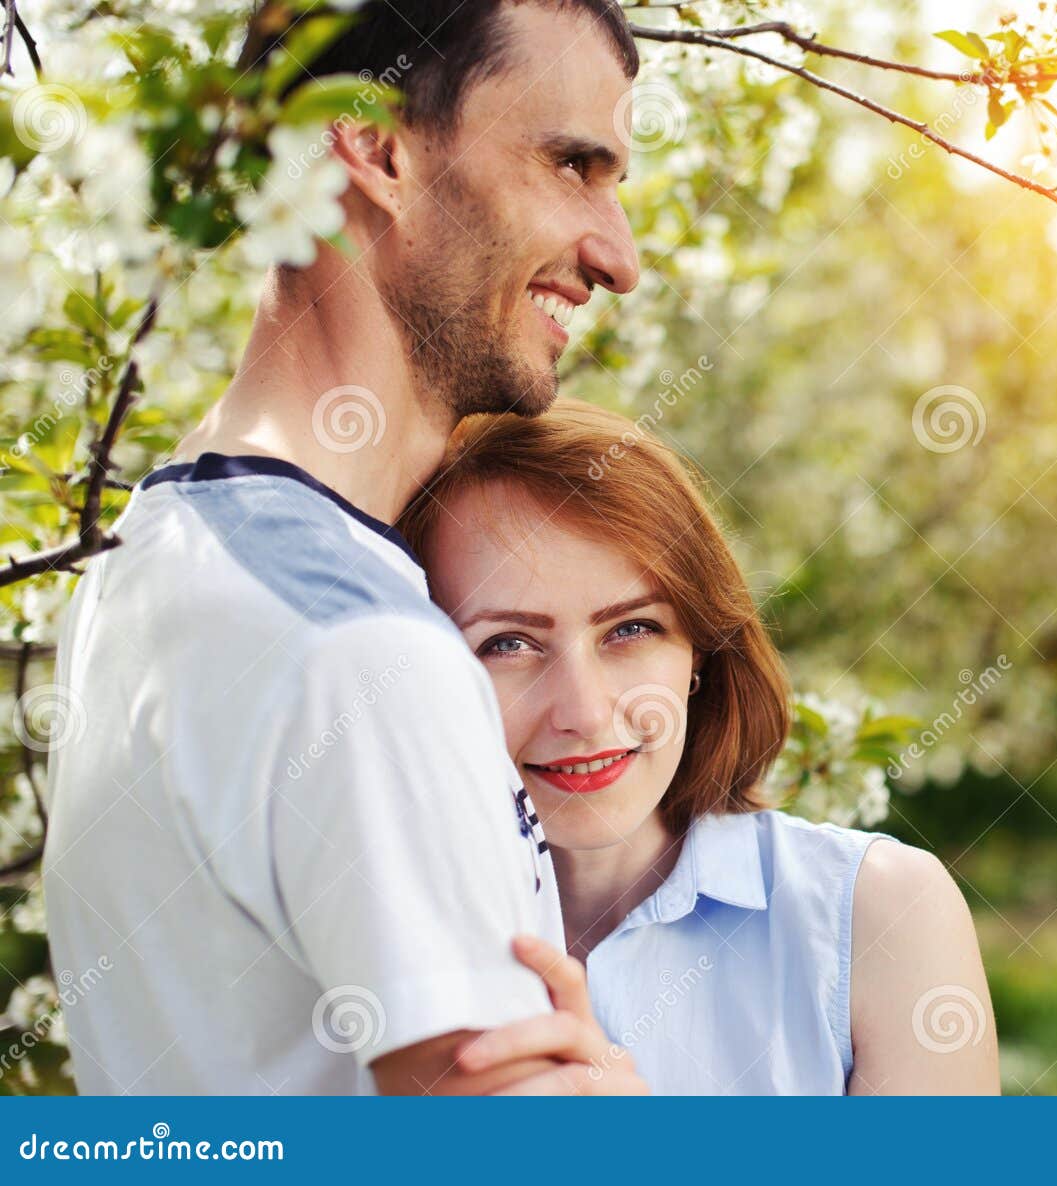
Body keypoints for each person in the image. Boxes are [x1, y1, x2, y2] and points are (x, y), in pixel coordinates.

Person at [43, 0, 644, 1095]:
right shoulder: (363, 651)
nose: (619, 255)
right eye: (571, 166)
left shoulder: (149, 558)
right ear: (374, 151)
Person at [400, 402, 1000, 1094]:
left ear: (699, 654)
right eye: (507, 644)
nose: (587, 713)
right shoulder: (366, 941)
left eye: (630, 630)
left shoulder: (880, 914)